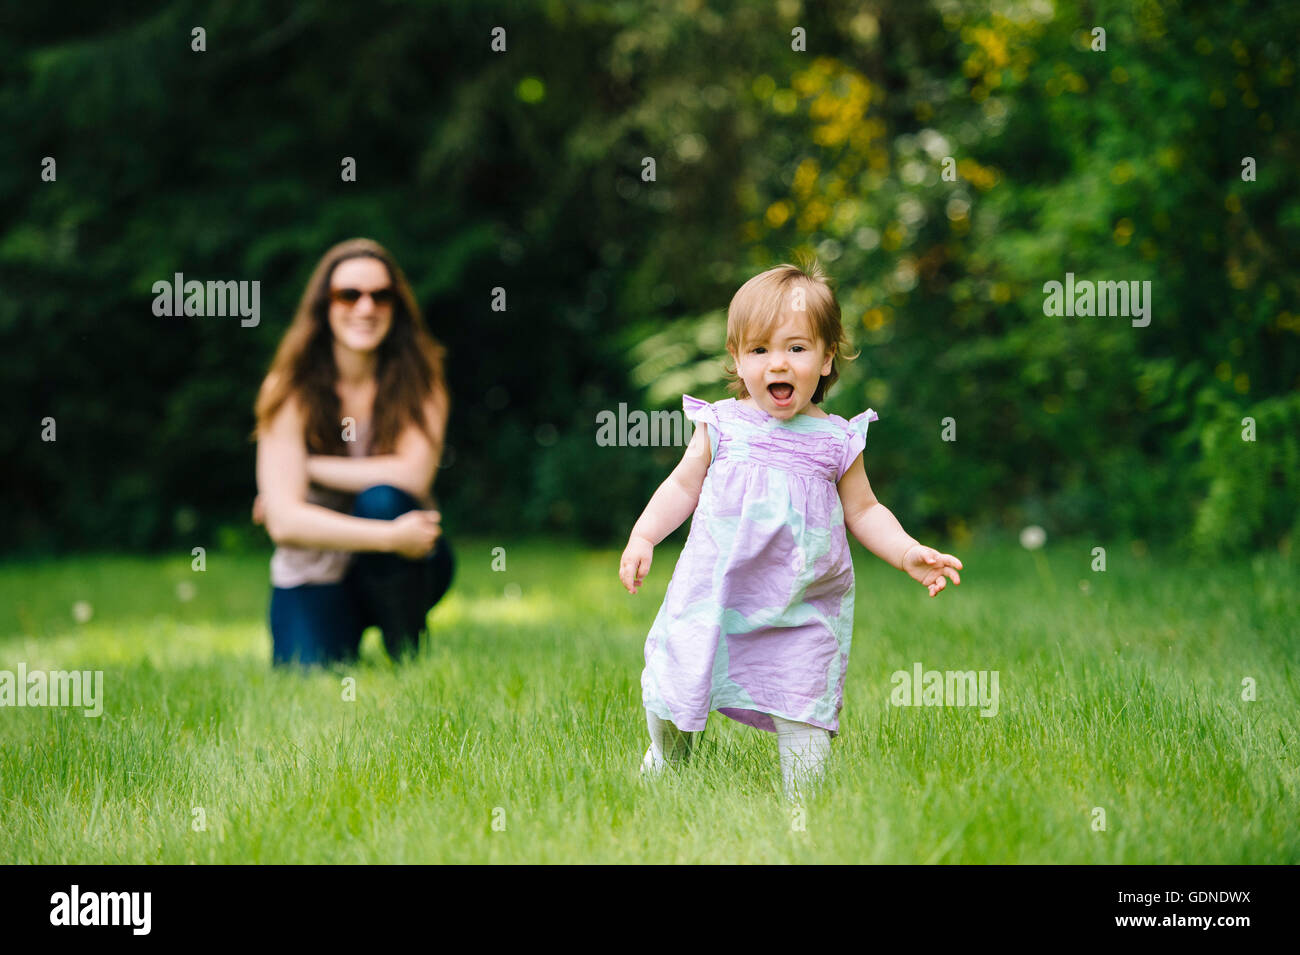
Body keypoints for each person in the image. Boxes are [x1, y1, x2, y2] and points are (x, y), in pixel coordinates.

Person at [618, 260, 963, 800]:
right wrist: (643, 537)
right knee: (677, 681)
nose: (777, 363)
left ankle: (804, 805)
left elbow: (866, 510)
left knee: (804, 694)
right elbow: (683, 486)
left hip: (801, 602)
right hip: (717, 592)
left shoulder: (837, 441)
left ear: (827, 358)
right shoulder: (722, 424)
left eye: (796, 349)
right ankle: (666, 758)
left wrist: (907, 552)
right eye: (759, 351)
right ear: (737, 358)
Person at [252, 238, 454, 666]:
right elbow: (284, 524)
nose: (366, 308)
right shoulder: (288, 391)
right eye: (349, 294)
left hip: (407, 559)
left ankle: (406, 651)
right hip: (318, 564)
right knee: (307, 672)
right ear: (323, 305)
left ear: (396, 306)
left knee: (383, 498)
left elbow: (413, 476)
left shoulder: (422, 379)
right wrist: (390, 539)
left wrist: (305, 469)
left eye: (381, 296)